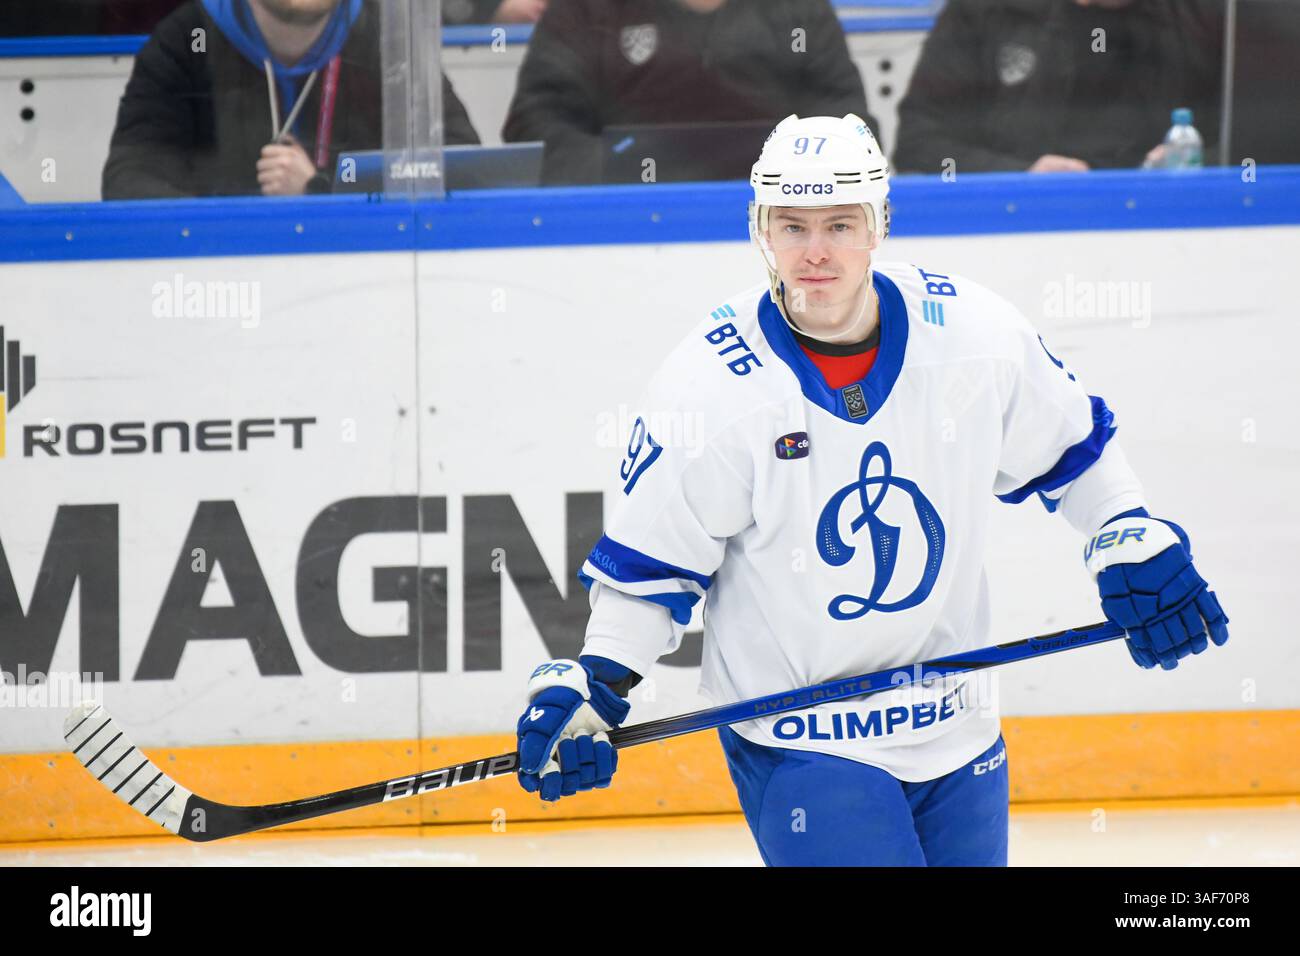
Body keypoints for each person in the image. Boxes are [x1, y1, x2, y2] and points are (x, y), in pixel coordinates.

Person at [512, 114, 1230, 866]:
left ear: (880, 223)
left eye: (840, 224)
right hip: (802, 742)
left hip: (958, 723)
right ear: (759, 228)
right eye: (791, 226)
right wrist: (596, 683)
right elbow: (652, 572)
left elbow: (1075, 452)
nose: (816, 252)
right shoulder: (709, 388)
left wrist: (1125, 531)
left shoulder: (974, 336)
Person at [102, 0, 479, 199]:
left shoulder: (389, 39)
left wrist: (321, 188)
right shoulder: (187, 39)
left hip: (363, 280)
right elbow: (128, 180)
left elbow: (463, 170)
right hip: (224, 283)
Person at [501, 0, 873, 184]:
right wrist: (623, 175)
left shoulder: (799, 11)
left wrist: (793, 191)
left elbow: (847, 125)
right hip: (622, 232)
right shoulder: (585, 11)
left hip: (781, 224)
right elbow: (538, 127)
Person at [892, 0, 1223, 174]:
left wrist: (1195, 160)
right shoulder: (988, 10)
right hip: (1015, 225)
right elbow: (918, 141)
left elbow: (1250, 140)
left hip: (1157, 225)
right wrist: (1022, 174)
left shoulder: (1196, 18)